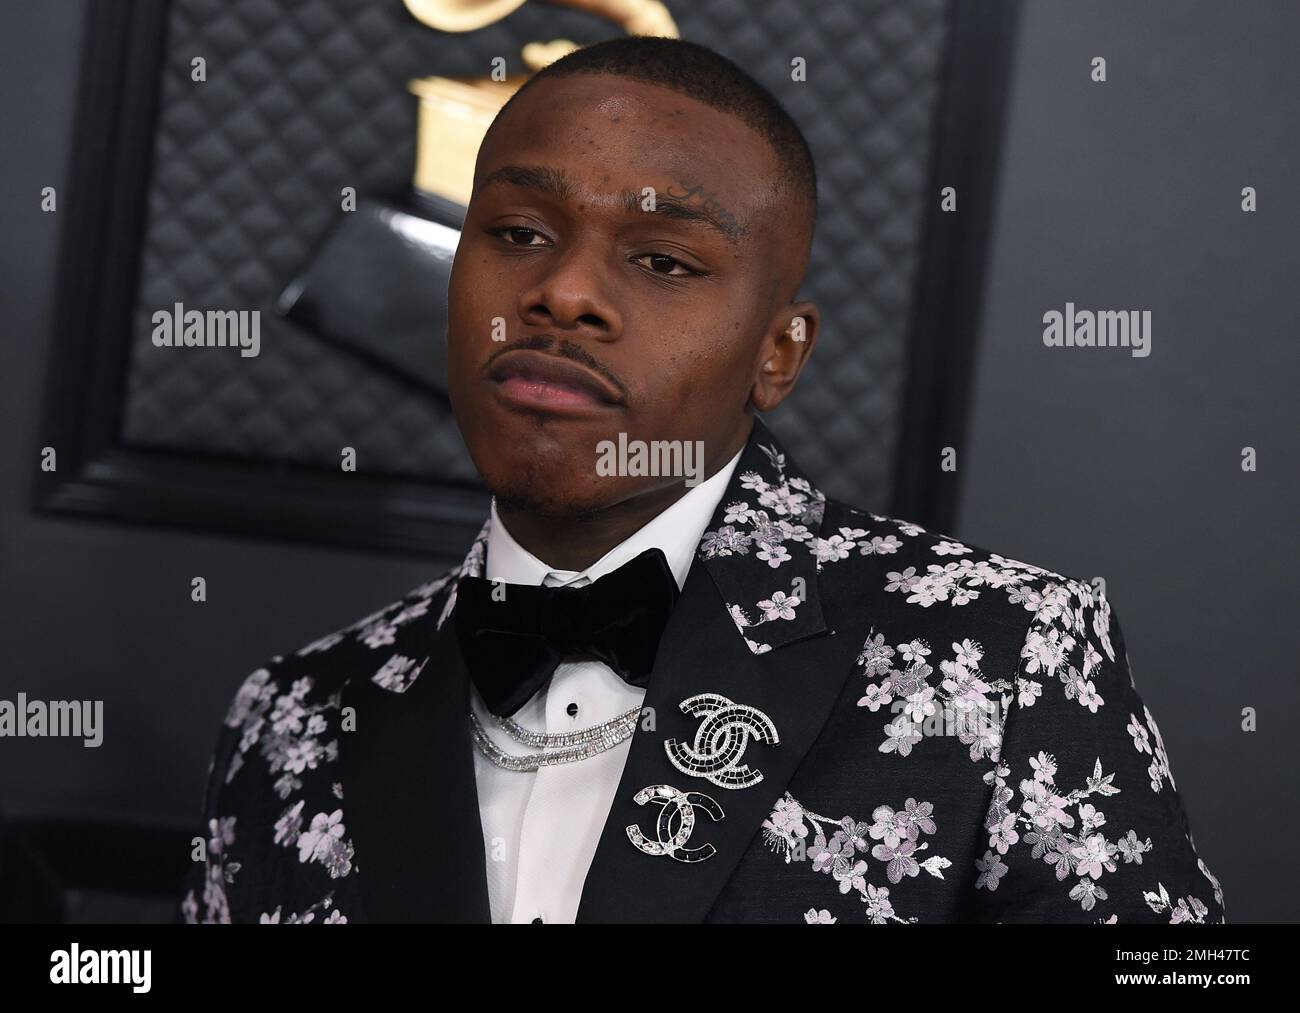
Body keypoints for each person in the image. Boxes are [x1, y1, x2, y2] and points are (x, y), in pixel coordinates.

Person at [181, 36, 1223, 925]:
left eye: (664, 260)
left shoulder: (1007, 653)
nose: (565, 291)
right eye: (516, 233)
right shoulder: (294, 713)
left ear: (779, 352)